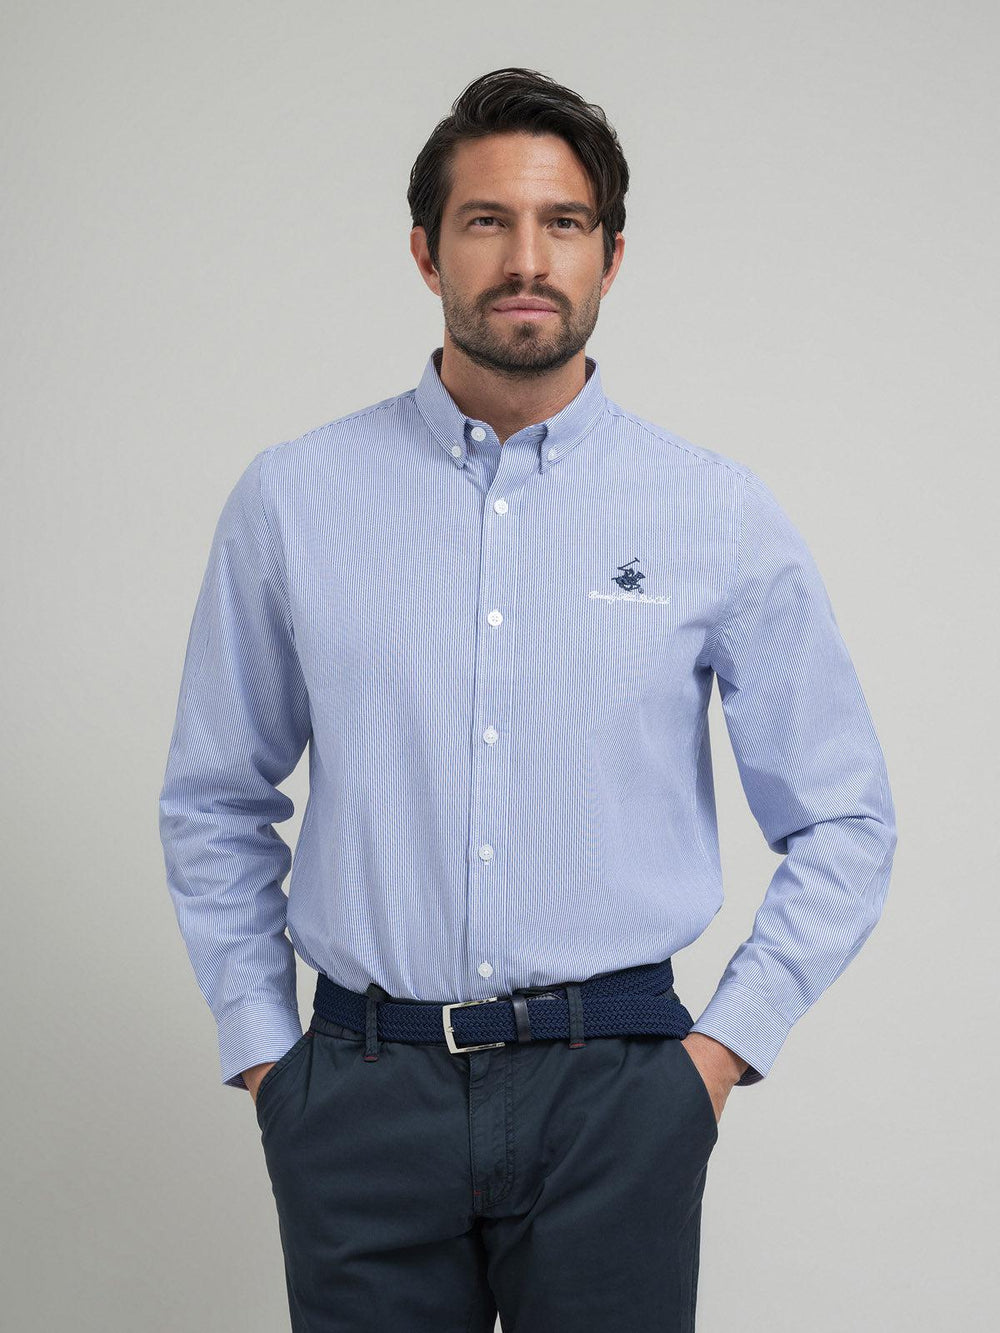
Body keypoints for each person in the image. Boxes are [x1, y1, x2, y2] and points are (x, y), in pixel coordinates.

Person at [158, 66, 897, 1332]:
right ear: (424, 250)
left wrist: (715, 1059)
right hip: (361, 1094)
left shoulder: (713, 513)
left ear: (612, 256)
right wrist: (266, 1054)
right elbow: (215, 796)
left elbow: (845, 817)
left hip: (617, 1096)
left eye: (563, 223)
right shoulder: (293, 499)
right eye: (486, 221)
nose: (525, 259)